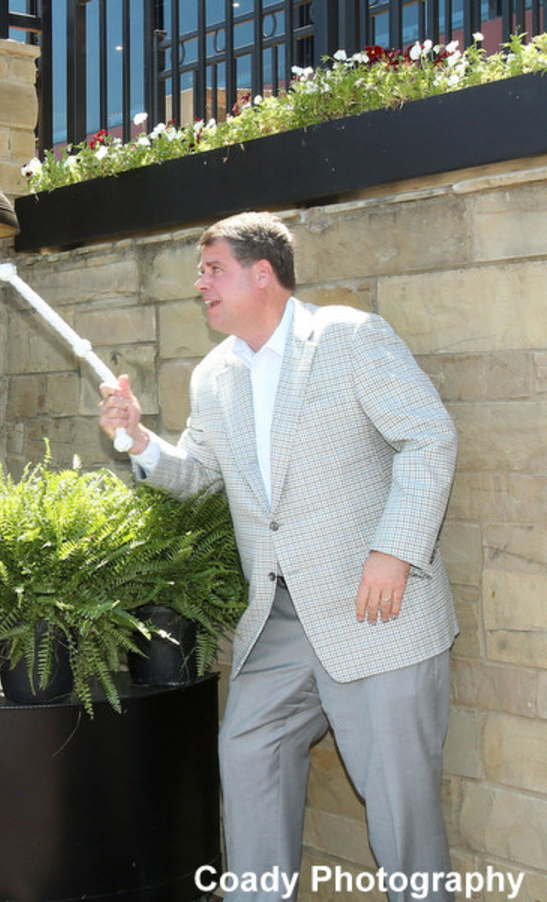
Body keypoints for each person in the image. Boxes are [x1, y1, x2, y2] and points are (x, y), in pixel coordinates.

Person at [99, 212, 458, 901]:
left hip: (375, 611)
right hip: (280, 620)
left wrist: (393, 551)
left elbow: (429, 439)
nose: (199, 284)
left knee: (400, 817)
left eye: (213, 270)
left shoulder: (350, 339)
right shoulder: (213, 377)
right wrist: (138, 439)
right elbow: (199, 474)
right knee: (247, 752)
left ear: (262, 274)